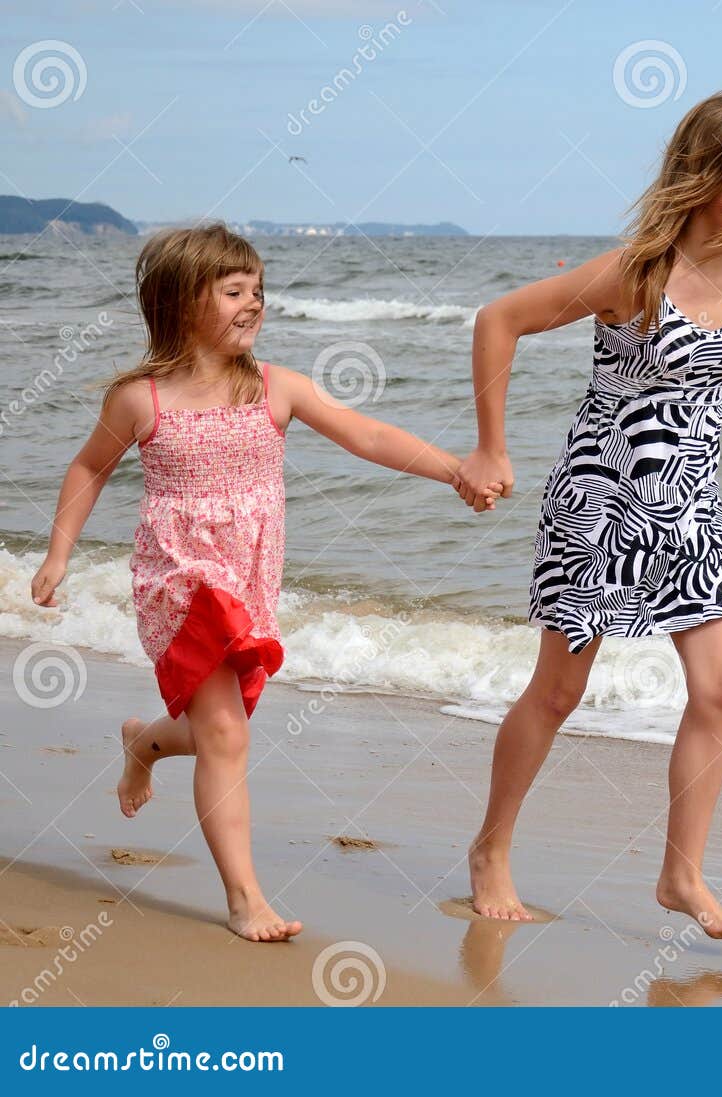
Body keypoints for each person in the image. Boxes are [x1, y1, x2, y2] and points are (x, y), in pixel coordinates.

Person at [30, 223, 498, 941]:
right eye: (234, 291)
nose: (254, 304)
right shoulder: (141, 400)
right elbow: (89, 467)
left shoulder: (276, 388)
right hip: (179, 584)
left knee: (221, 728)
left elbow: (365, 433)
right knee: (225, 732)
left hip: (248, 582)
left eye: (259, 290)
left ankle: (144, 742)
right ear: (184, 304)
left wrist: (454, 469)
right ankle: (246, 897)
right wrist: (59, 554)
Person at [452, 88, 722, 937]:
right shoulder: (638, 272)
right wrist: (489, 448)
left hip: (693, 506)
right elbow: (498, 320)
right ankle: (491, 848)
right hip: (601, 501)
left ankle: (680, 874)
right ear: (700, 170)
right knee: (557, 692)